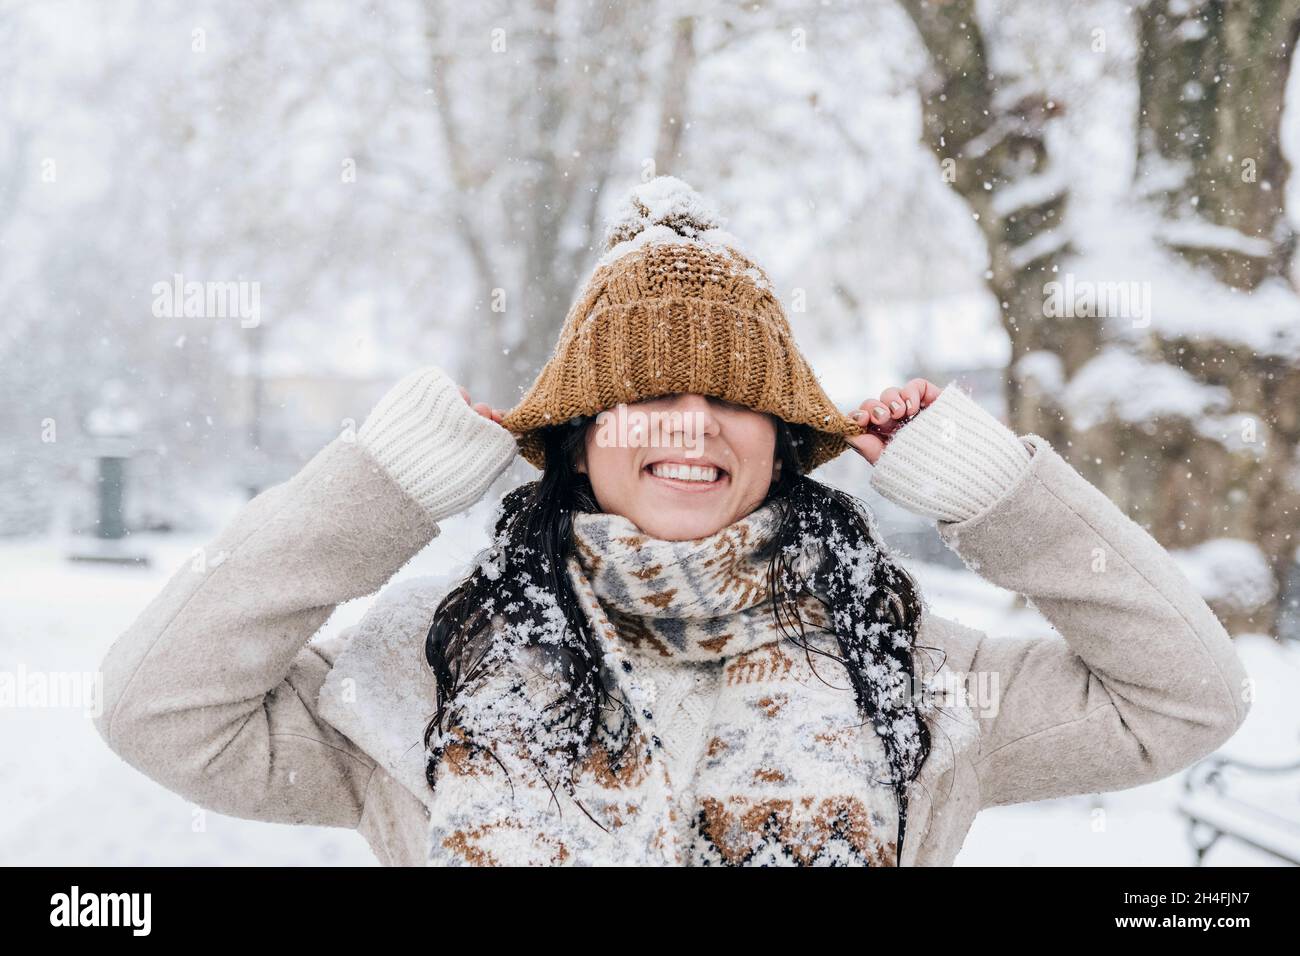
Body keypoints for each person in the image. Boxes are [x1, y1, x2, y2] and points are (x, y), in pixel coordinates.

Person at [92, 177, 1251, 866]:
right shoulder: (423, 667)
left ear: (784, 437)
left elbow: (1185, 696)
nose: (692, 425)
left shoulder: (911, 666)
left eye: (734, 397)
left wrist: (995, 491)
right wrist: (380, 487)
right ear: (578, 436)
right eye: (646, 393)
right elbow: (157, 706)